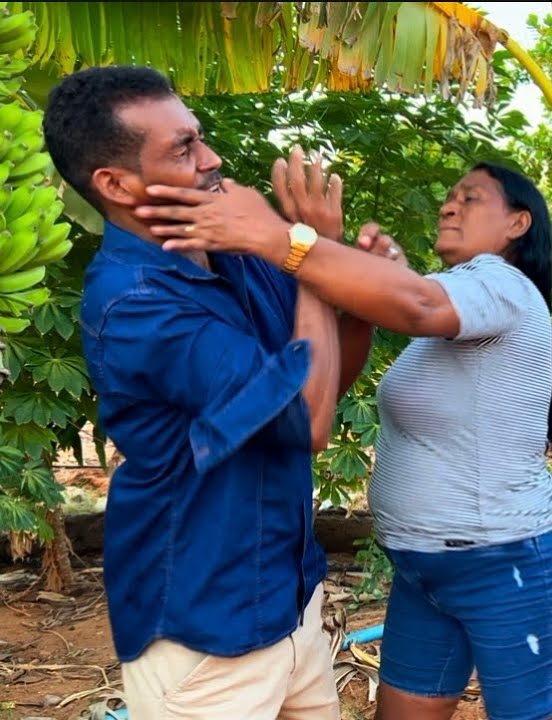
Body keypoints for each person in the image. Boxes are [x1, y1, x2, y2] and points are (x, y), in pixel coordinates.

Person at [132, 158, 552, 720]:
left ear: (518, 224)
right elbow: (340, 368)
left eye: (471, 198)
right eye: (450, 195)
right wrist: (363, 276)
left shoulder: (501, 283)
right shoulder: (456, 314)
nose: (449, 205)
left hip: (505, 564)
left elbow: (416, 303)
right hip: (423, 569)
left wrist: (284, 240)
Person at [42, 65, 376, 718]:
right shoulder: (134, 305)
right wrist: (308, 254)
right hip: (205, 640)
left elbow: (323, 384)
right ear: (115, 183)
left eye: (200, 136)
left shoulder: (237, 253)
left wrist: (343, 292)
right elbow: (307, 418)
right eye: (182, 148)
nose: (212, 157)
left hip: (290, 603)